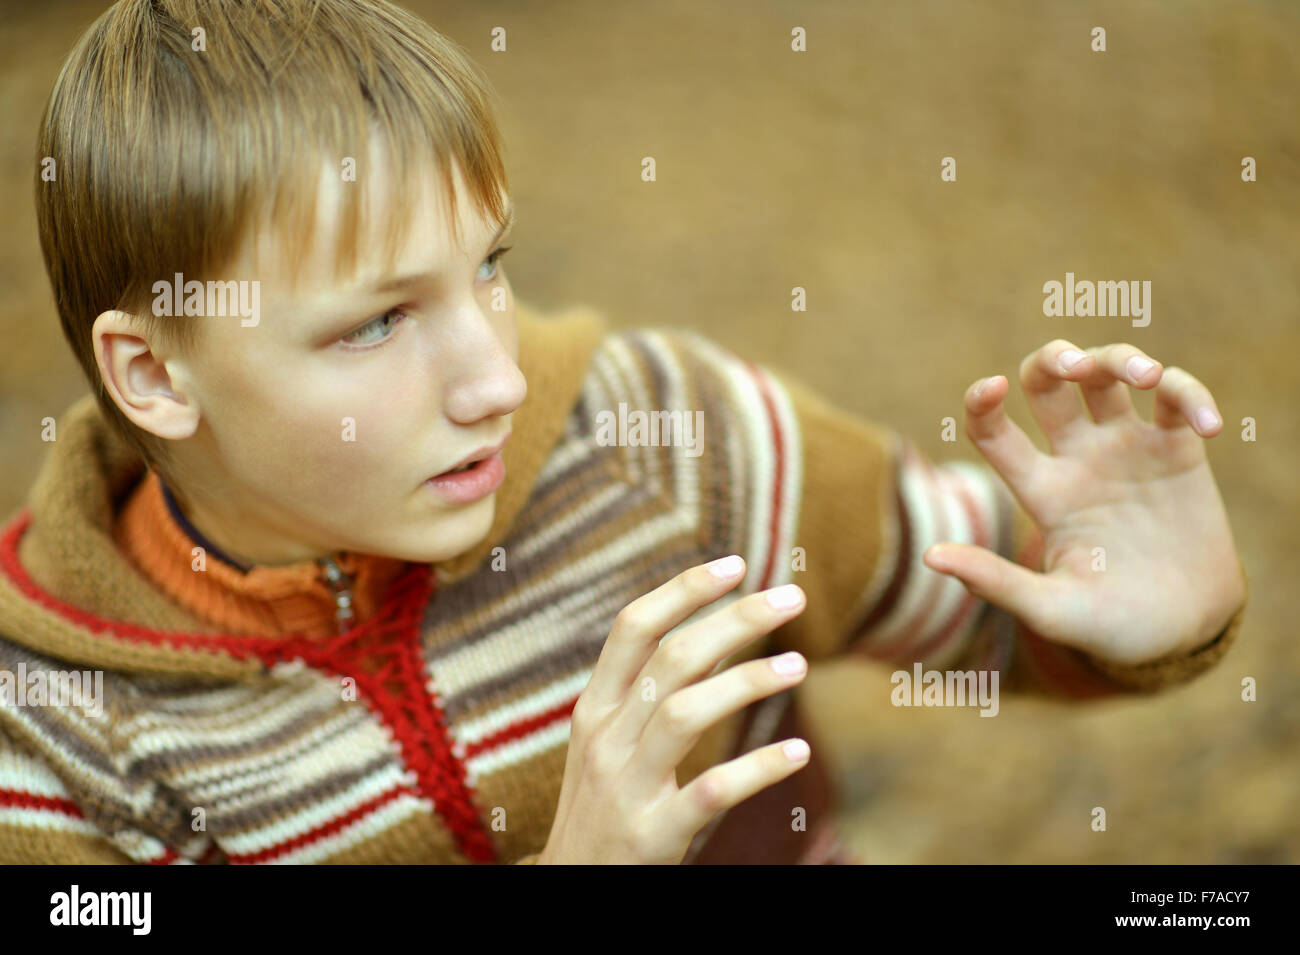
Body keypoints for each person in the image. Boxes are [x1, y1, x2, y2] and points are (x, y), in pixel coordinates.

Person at [0, 0, 1246, 864]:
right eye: (376, 323)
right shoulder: (60, 735)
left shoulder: (674, 442)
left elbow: (988, 612)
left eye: (487, 266)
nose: (493, 372)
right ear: (156, 375)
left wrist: (1131, 601)